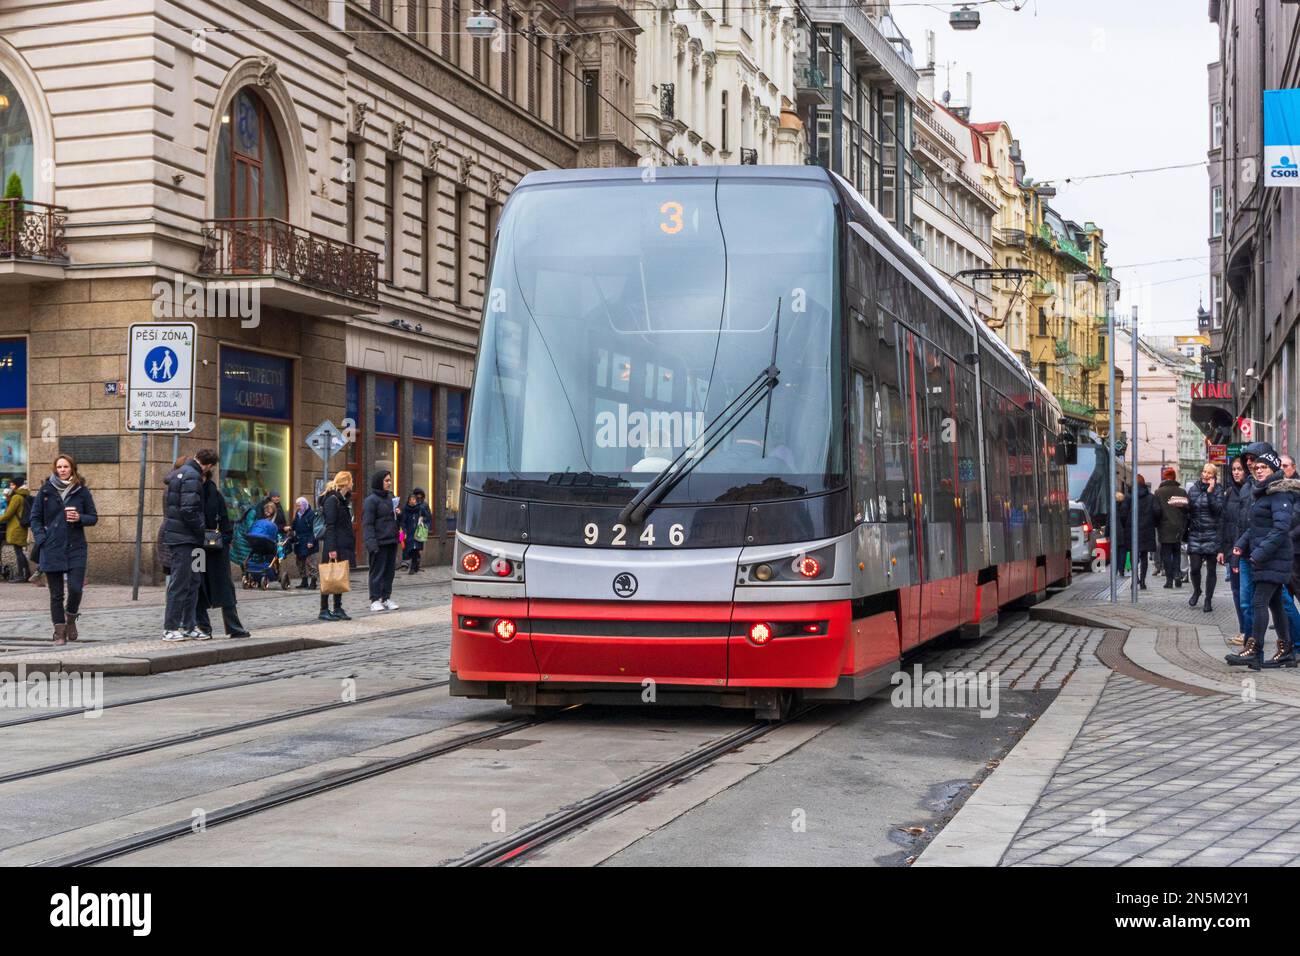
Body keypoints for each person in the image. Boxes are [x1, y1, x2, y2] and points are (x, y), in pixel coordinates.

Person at [1227, 442, 1300, 669]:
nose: (1258, 470)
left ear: (1273, 468)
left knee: (1259, 602)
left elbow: (1281, 529)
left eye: (1263, 467)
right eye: (1256, 467)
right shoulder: (1264, 492)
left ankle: (1255, 650)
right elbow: (1254, 527)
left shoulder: (1279, 493)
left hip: (1274, 558)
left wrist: (1258, 553)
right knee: (1276, 604)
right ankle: (1286, 649)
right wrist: (1239, 547)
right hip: (1267, 557)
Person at [29, 454, 98, 646]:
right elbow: (34, 518)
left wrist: (80, 518)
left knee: (76, 588)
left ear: (72, 469)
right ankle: (59, 632)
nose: (62, 470)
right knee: (56, 594)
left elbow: (93, 517)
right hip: (51, 547)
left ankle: (70, 619)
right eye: (59, 467)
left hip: (76, 546)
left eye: (65, 466)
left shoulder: (81, 491)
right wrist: (42, 539)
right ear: (55, 469)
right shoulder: (45, 491)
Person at [161, 450, 216, 642]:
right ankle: (170, 628)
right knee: (181, 582)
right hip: (186, 539)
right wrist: (201, 529)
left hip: (189, 539)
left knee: (193, 581)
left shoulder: (180, 473)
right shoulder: (192, 476)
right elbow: (189, 509)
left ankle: (189, 626)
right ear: (208, 466)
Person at [196, 459, 249, 638]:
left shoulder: (214, 494)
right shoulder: (191, 493)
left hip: (215, 548)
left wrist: (225, 539)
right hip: (197, 549)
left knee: (224, 587)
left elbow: (225, 520)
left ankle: (233, 626)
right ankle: (203, 627)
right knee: (197, 586)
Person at [1220, 456, 1254, 645]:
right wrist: (1222, 550)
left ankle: (1251, 634)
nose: (1236, 472)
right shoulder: (1229, 493)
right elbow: (1224, 522)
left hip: (1247, 551)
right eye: (1233, 469)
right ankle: (1243, 631)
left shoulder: (1251, 491)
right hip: (1232, 551)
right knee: (1236, 592)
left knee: (1246, 594)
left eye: (1239, 469)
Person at [1185, 462, 1224, 612]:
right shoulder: (1193, 489)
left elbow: (1218, 510)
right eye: (1204, 472)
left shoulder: (1218, 490)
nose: (1206, 475)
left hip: (1212, 534)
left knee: (1211, 571)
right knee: (1194, 568)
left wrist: (1210, 491)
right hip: (1195, 533)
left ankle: (1208, 599)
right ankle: (1197, 590)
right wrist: (1183, 506)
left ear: (1214, 476)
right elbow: (1190, 510)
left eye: (1209, 473)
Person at [318, 470, 355, 622]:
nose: (353, 484)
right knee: (328, 576)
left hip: (342, 543)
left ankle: (338, 607)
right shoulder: (332, 500)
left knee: (340, 575)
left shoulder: (343, 498)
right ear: (346, 482)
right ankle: (324, 609)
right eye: (351, 481)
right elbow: (330, 525)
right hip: (333, 543)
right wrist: (332, 548)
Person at [362, 470, 399, 612]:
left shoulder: (391, 498)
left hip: (391, 540)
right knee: (377, 571)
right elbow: (367, 523)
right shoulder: (371, 501)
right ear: (379, 482)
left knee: (389, 572)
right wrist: (371, 543)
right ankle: (375, 599)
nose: (389, 483)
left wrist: (398, 515)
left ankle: (386, 597)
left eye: (390, 480)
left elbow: (396, 520)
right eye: (386, 480)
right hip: (378, 541)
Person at [1117, 475, 1160, 589]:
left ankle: (1134, 579)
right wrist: (1153, 523)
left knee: (1133, 555)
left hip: (1132, 530)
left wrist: (1126, 525)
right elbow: (1157, 511)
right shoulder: (1151, 497)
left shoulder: (1129, 497)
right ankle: (1143, 582)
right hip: (1147, 530)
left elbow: (1122, 514)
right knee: (1144, 556)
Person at [1154, 466, 1190, 587]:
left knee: (1166, 554)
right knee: (1177, 553)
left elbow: (1156, 511)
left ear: (1164, 478)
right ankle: (1177, 575)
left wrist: (1157, 523)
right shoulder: (1181, 492)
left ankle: (1169, 580)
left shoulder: (1159, 493)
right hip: (1178, 528)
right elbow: (1186, 510)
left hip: (1164, 527)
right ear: (1174, 478)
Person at [1, 476, 31, 583]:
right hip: (20, 527)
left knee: (19, 552)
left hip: (16, 528)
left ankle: (21, 575)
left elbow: (8, 514)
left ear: (17, 485)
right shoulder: (21, 495)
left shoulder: (17, 497)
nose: (11, 487)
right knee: (19, 552)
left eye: (12, 485)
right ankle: (26, 574)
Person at [402, 488, 433, 574]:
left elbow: (428, 517)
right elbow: (402, 522)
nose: (413, 501)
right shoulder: (405, 509)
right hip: (408, 533)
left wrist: (423, 520)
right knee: (409, 549)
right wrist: (402, 534)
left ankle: (413, 567)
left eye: (414, 499)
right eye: (412, 499)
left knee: (415, 549)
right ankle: (412, 565)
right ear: (408, 500)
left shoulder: (421, 507)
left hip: (418, 532)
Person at [290, 496, 318, 589]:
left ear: (304, 505)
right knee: (300, 562)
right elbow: (294, 526)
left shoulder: (311, 514)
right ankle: (304, 580)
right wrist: (289, 528)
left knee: (310, 562)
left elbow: (314, 530)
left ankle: (313, 582)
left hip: (309, 541)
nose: (298, 507)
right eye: (297, 505)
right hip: (300, 541)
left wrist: (311, 541)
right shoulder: (297, 514)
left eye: (299, 505)